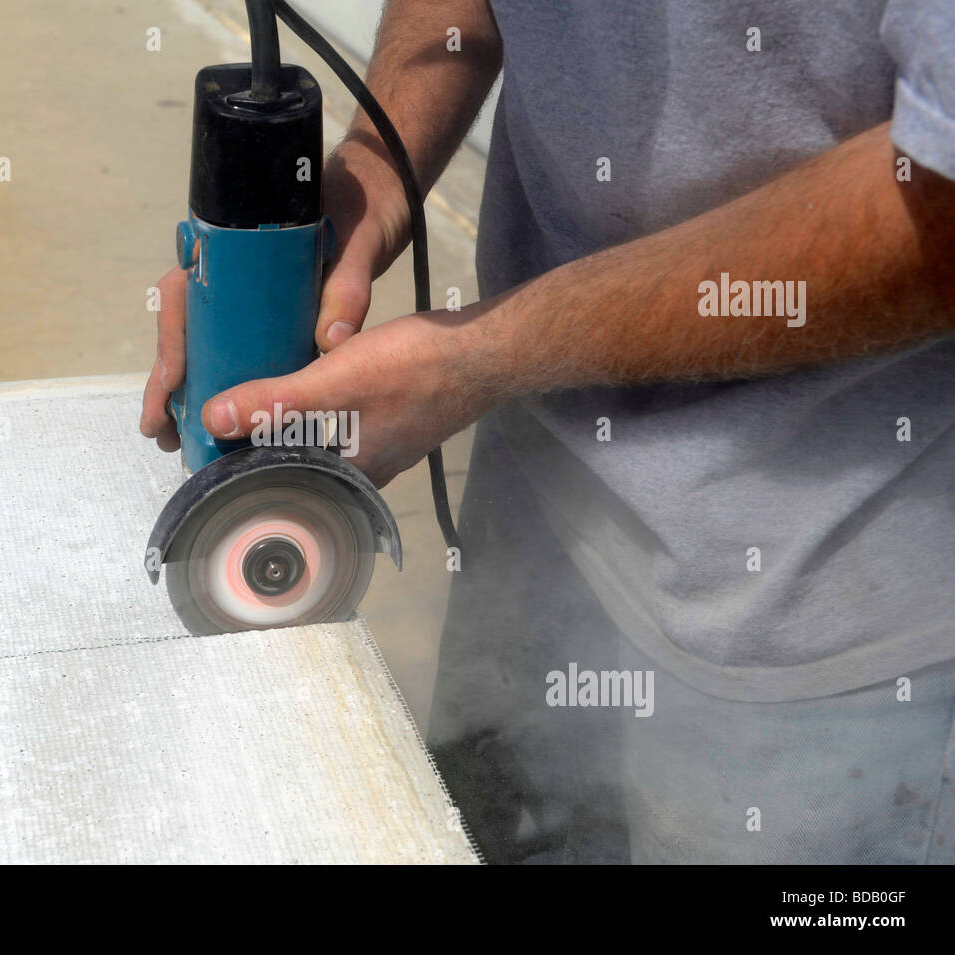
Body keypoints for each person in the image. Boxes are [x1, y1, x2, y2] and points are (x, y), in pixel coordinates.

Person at [141, 0, 955, 863]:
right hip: (538, 500)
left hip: (813, 606)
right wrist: (367, 187)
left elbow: (938, 208)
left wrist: (475, 360)